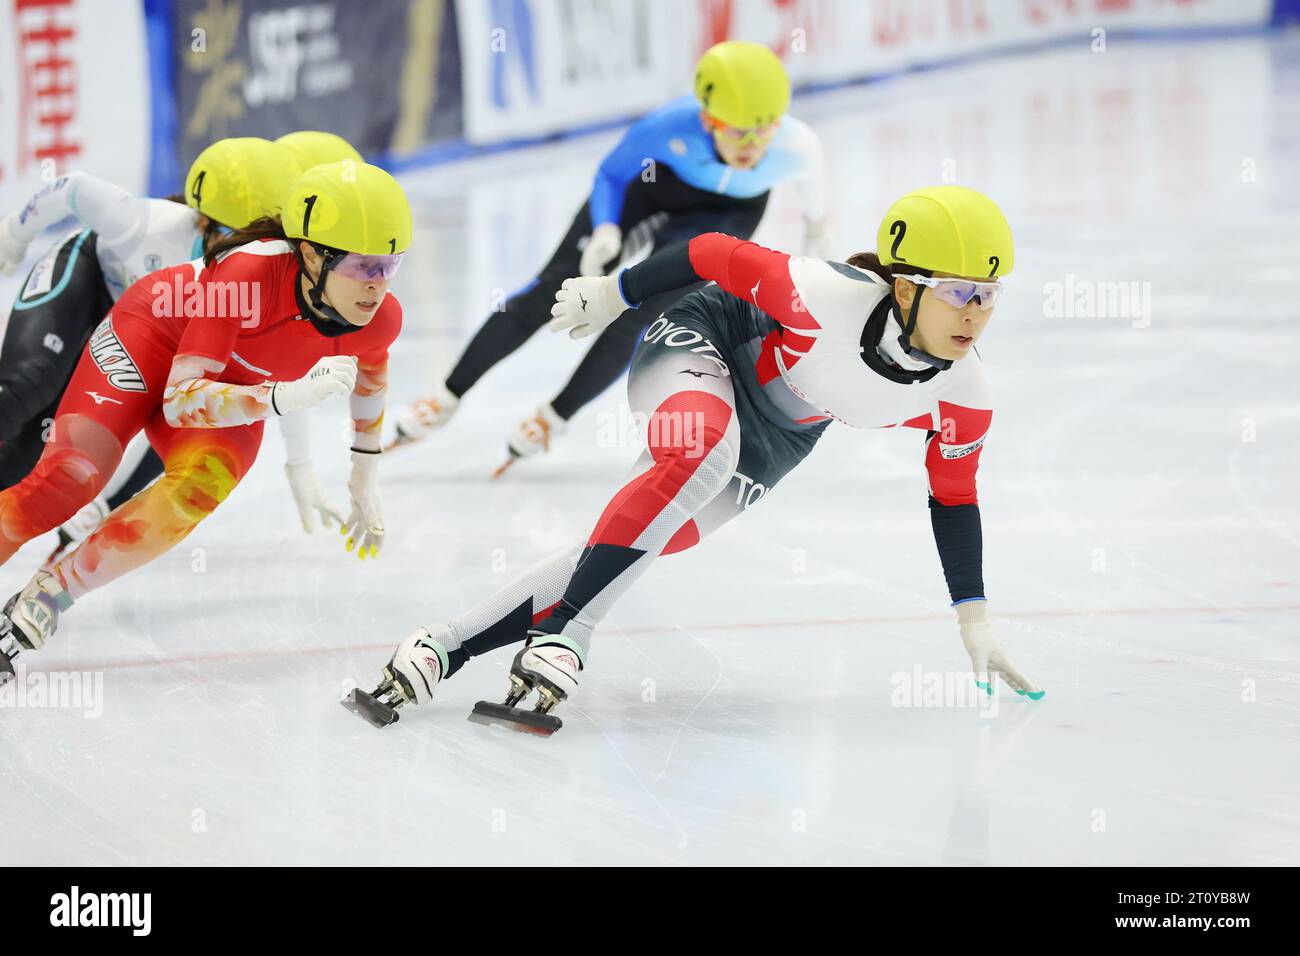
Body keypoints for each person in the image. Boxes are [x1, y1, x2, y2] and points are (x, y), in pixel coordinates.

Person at [346, 185, 1044, 735]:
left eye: (988, 296)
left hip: (780, 436)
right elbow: (712, 251)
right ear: (905, 286)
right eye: (959, 292)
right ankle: (567, 632)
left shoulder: (966, 391)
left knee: (650, 537)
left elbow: (953, 496)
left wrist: (973, 620)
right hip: (703, 338)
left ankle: (444, 648)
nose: (975, 314)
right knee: (703, 455)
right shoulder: (823, 293)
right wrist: (612, 293)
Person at [0, 161, 412, 684]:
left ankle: (51, 595)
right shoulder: (246, 274)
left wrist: (364, 476)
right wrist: (280, 397)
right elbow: (180, 402)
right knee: (68, 481)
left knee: (198, 488)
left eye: (390, 266)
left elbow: (371, 381)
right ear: (312, 254)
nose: (377, 286)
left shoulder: (383, 317)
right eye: (363, 266)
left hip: (235, 388)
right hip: (150, 339)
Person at [389, 40, 834, 475]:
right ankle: (447, 396)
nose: (752, 144)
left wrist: (818, 236)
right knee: (552, 290)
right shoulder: (668, 126)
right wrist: (605, 228)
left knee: (638, 310)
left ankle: (554, 416)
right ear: (707, 118)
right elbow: (612, 173)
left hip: (725, 214)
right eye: (738, 130)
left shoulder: (798, 147)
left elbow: (816, 209)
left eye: (765, 130)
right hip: (653, 187)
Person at [0, 133, 365, 563]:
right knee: (31, 383)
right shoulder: (146, 224)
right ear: (203, 221)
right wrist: (13, 236)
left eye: (261, 238)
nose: (246, 249)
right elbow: (72, 187)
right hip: (87, 281)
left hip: (138, 332)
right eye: (234, 234)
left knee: (33, 452)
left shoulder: (261, 279)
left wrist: (299, 465)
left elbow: (276, 379)